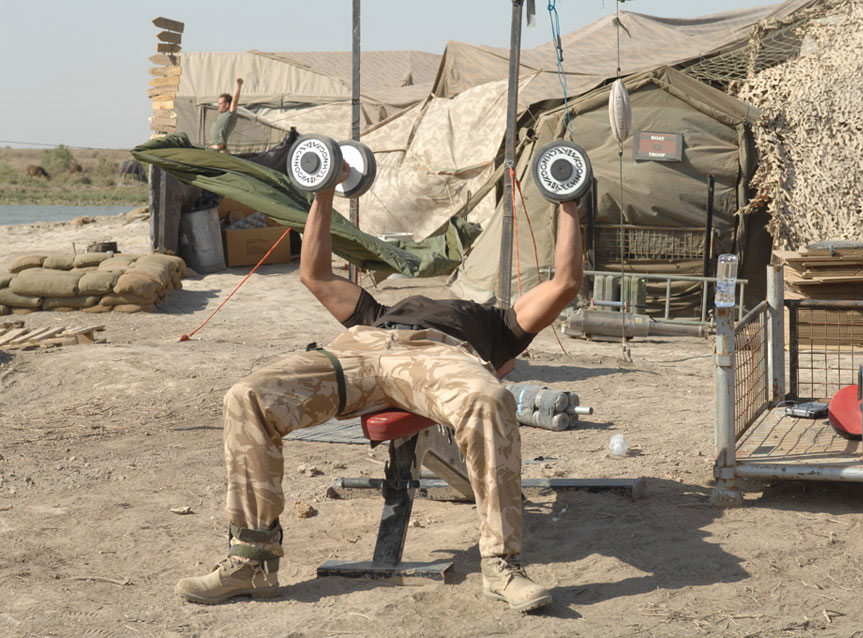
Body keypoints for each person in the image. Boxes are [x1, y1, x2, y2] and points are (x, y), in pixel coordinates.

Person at [175, 159, 584, 612]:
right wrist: (324, 192)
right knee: (247, 396)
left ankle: (501, 566)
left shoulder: (498, 322)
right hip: (364, 345)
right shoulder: (376, 309)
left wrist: (568, 201)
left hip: (439, 356)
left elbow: (564, 282)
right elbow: (314, 275)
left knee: (489, 398)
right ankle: (252, 563)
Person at [209, 78, 243, 153]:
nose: (218, 106)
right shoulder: (221, 115)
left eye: (220, 104)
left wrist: (239, 86)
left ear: (227, 105)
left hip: (220, 151)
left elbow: (235, 101)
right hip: (213, 150)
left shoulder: (230, 114)